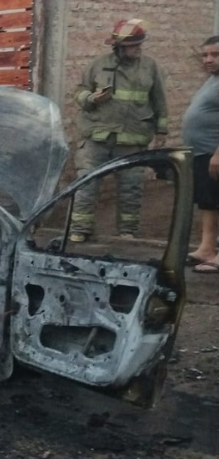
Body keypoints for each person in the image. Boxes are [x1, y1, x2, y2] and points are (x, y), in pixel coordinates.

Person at [69, 18, 169, 243]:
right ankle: (80, 230)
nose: (138, 49)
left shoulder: (150, 67)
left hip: (132, 140)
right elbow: (79, 91)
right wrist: (91, 97)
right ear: (119, 47)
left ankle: (127, 232)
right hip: (96, 137)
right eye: (134, 45)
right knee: (85, 183)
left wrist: (162, 132)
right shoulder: (98, 65)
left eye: (139, 45)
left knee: (131, 188)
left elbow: (160, 101)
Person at [183, 35, 219, 273]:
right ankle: (207, 248)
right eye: (205, 55)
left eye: (215, 55)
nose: (208, 59)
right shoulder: (213, 80)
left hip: (214, 152)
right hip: (203, 152)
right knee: (208, 201)